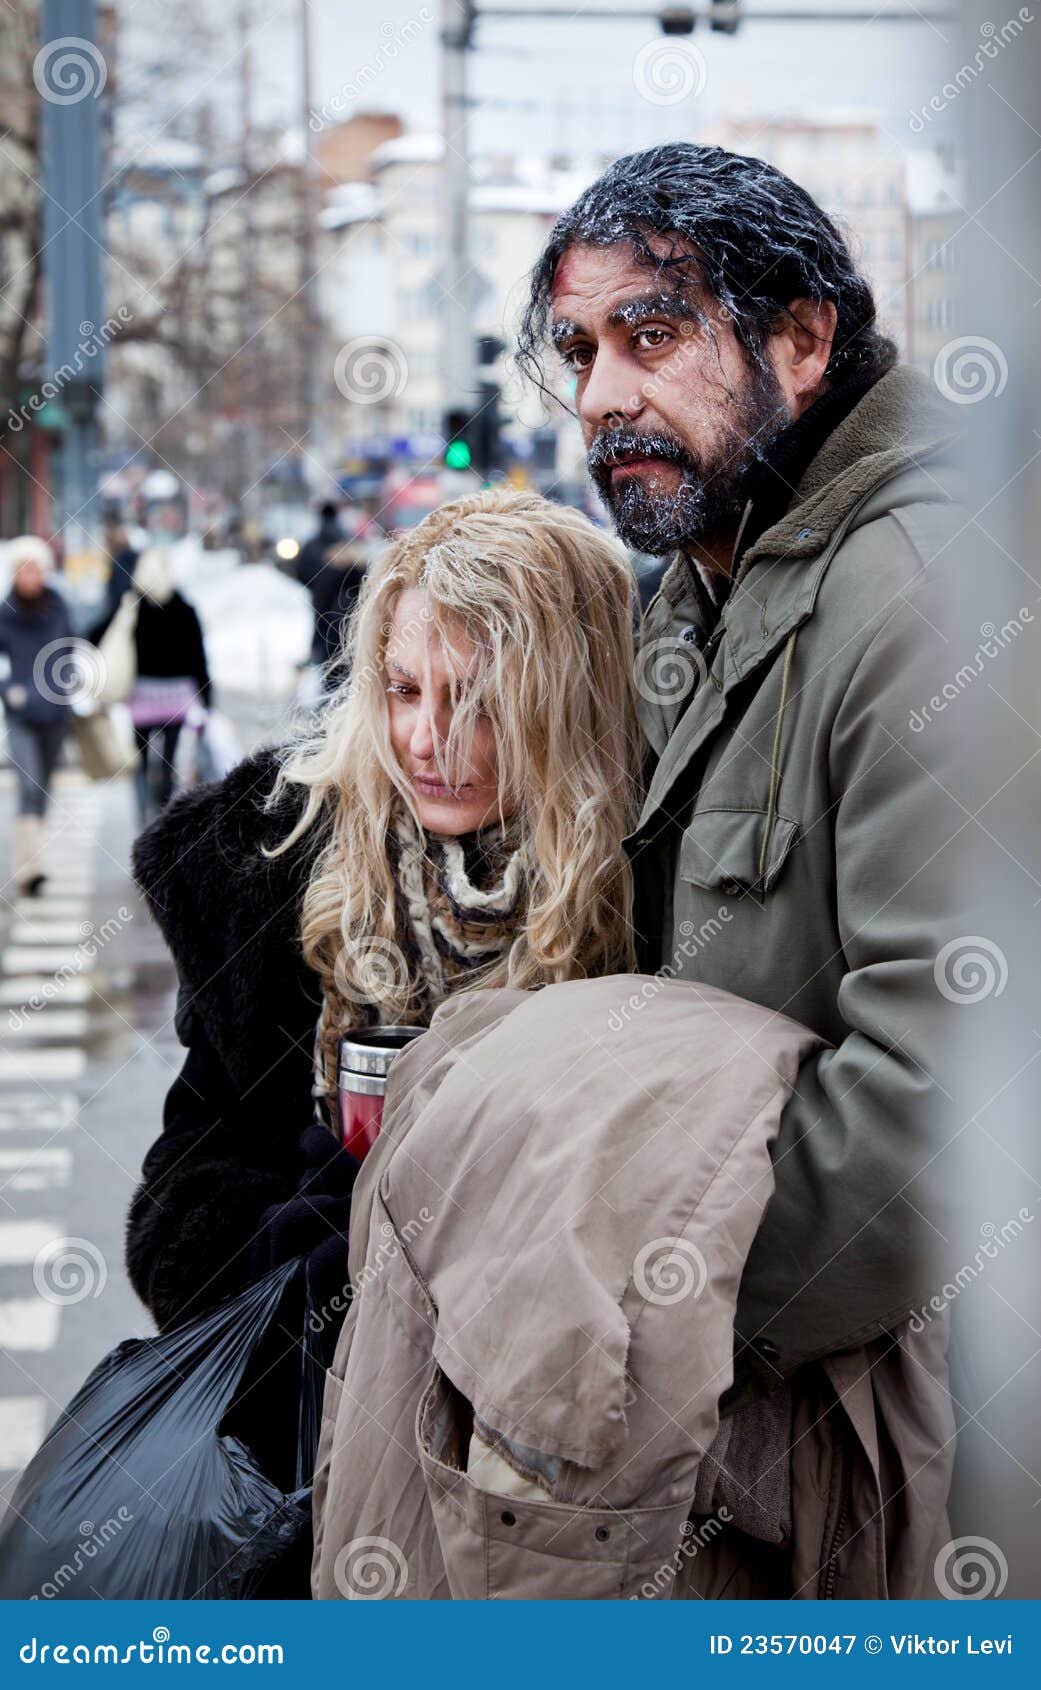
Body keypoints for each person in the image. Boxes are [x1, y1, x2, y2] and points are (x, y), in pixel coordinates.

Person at [520, 143, 969, 1409]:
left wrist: (644, 1300)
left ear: (804, 340)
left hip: (873, 1440)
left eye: (653, 335)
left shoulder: (924, 599)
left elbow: (949, 1102)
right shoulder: (701, 588)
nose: (603, 394)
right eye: (579, 351)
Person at [125, 489, 640, 1392]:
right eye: (403, 690)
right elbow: (180, 1201)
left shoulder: (656, 879)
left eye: (479, 700)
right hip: (317, 1445)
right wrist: (329, 1260)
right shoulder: (273, 866)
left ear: (569, 696)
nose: (427, 739)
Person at [0, 535, 74, 896]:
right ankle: (28, 869)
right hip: (20, 714)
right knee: (28, 786)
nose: (29, 575)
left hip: (55, 712)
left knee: (42, 790)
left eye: (35, 568)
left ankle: (33, 860)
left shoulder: (58, 606)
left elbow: (69, 651)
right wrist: (6, 689)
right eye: (22, 569)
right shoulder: (4, 612)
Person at [120, 548, 211, 823]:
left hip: (141, 693)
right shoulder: (184, 607)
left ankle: (142, 811)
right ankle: (163, 810)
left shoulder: (132, 606)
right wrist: (206, 693)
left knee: (140, 757)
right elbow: (198, 655)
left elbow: (99, 633)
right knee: (170, 757)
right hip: (176, 695)